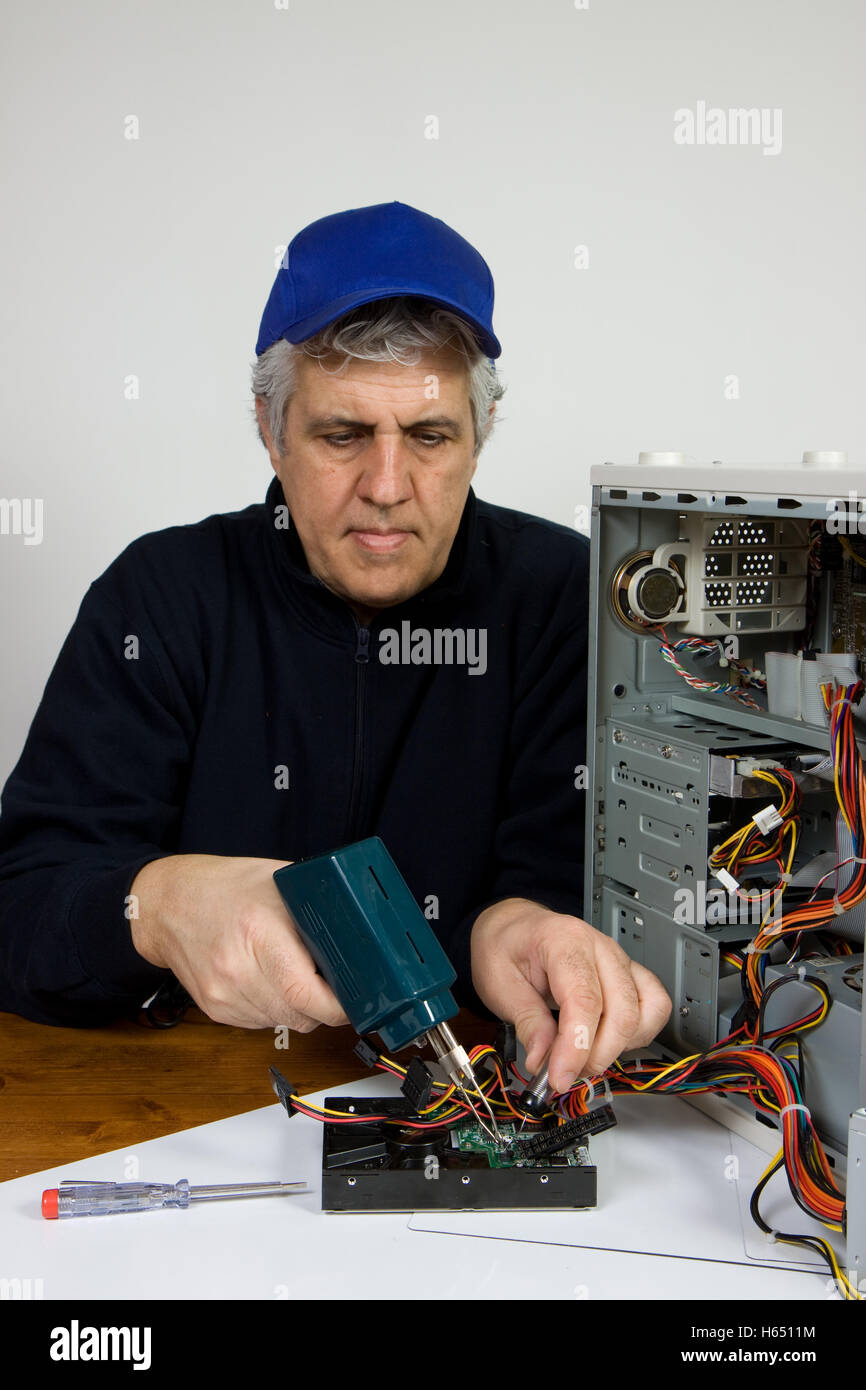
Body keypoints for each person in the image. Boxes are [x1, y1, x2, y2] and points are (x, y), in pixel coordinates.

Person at [0, 201, 670, 1092]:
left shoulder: (568, 601)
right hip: (193, 1104)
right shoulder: (159, 596)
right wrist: (154, 906)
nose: (386, 488)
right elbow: (20, 904)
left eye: (429, 436)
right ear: (271, 431)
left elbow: (597, 895)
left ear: (481, 437)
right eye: (342, 435)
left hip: (475, 1103)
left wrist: (515, 926)